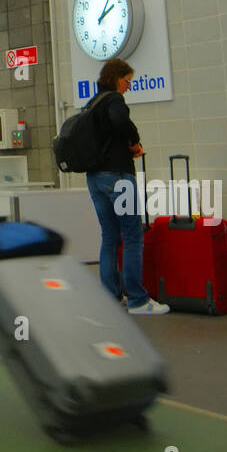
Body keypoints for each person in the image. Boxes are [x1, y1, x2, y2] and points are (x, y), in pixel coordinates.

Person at [85, 58, 169, 314]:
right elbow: (121, 123)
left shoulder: (92, 103)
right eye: (127, 81)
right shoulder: (113, 100)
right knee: (133, 236)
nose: (128, 87)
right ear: (116, 78)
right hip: (118, 177)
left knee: (109, 237)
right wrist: (135, 142)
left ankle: (111, 298)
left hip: (95, 179)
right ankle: (138, 300)